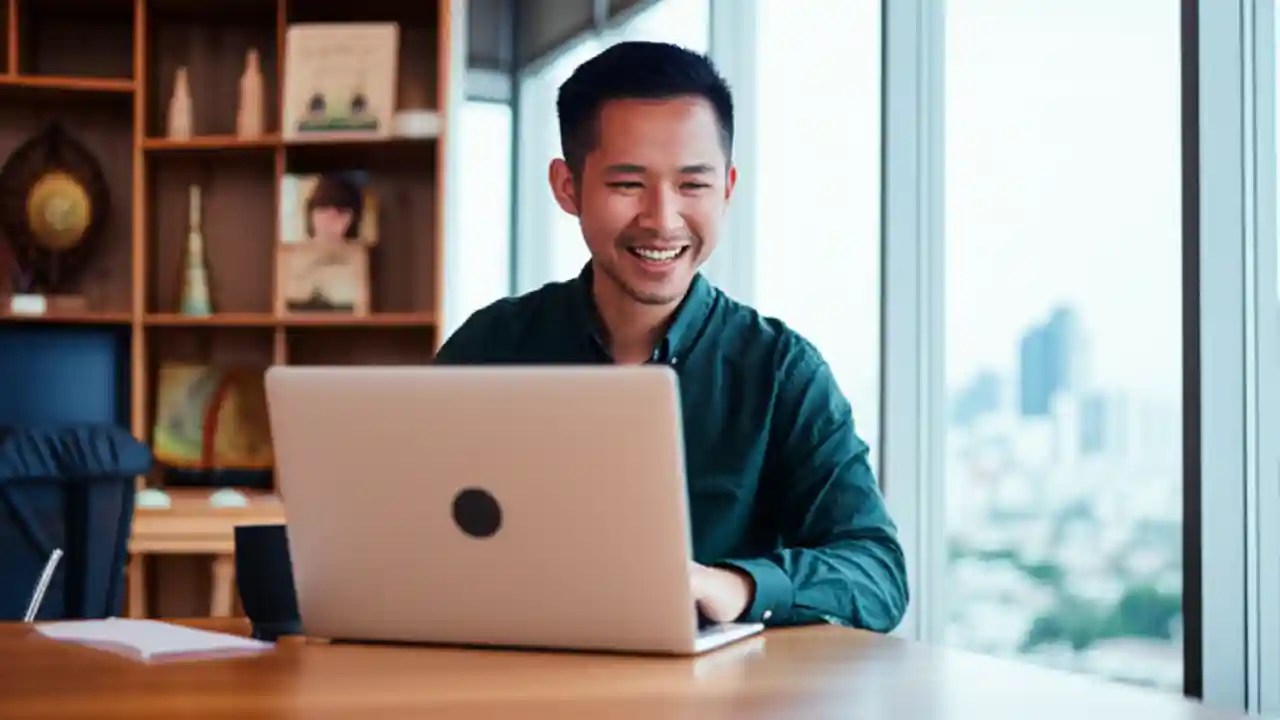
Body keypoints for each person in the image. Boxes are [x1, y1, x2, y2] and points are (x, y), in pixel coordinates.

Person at [435, 41, 908, 631]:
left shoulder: (779, 370)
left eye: (692, 185)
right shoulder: (490, 348)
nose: (662, 219)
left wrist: (735, 585)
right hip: (514, 669)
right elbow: (403, 528)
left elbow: (877, 572)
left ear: (728, 187)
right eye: (628, 184)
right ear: (567, 187)